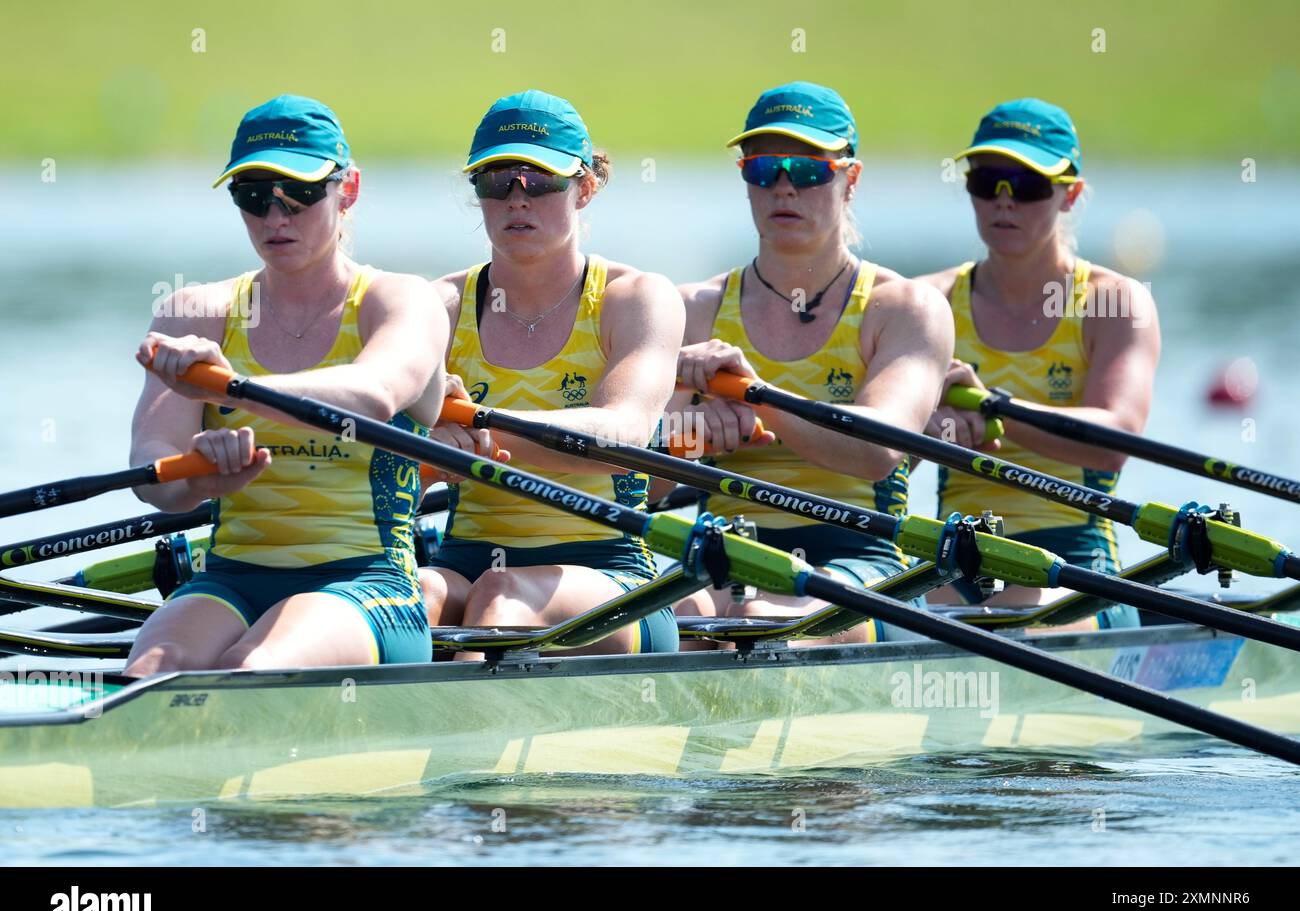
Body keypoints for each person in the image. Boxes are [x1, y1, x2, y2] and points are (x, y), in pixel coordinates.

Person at [126, 94, 447, 676]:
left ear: (347, 190)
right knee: (148, 674)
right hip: (230, 577)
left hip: (368, 584)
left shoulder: (399, 301)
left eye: (298, 194)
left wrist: (232, 389)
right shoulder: (194, 313)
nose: (275, 217)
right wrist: (203, 473)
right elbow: (157, 481)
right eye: (252, 196)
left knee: (252, 670)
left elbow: (373, 394)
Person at [670, 81, 953, 644]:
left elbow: (877, 450)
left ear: (851, 178)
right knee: (664, 617)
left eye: (807, 170)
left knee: (756, 623)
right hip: (721, 551)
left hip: (859, 554)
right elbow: (641, 486)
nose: (783, 188)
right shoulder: (692, 310)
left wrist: (758, 398)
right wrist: (690, 435)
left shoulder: (903, 309)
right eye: (763, 168)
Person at [418, 90, 685, 655]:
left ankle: (458, 734)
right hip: (461, 560)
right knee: (407, 599)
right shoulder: (435, 307)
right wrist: (426, 449)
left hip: (611, 575)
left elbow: (623, 433)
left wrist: (481, 426)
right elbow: (384, 467)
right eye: (496, 181)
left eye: (539, 181)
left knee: (501, 597)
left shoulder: (634, 300)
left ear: (584, 188)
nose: (517, 200)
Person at [917, 98, 1160, 628]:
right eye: (987, 182)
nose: (1004, 202)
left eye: (1027, 186)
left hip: (1076, 560)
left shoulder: (1112, 304)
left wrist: (994, 411)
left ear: (1070, 193)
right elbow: (879, 457)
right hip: (954, 556)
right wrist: (923, 427)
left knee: (1021, 609)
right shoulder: (926, 304)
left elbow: (1116, 440)